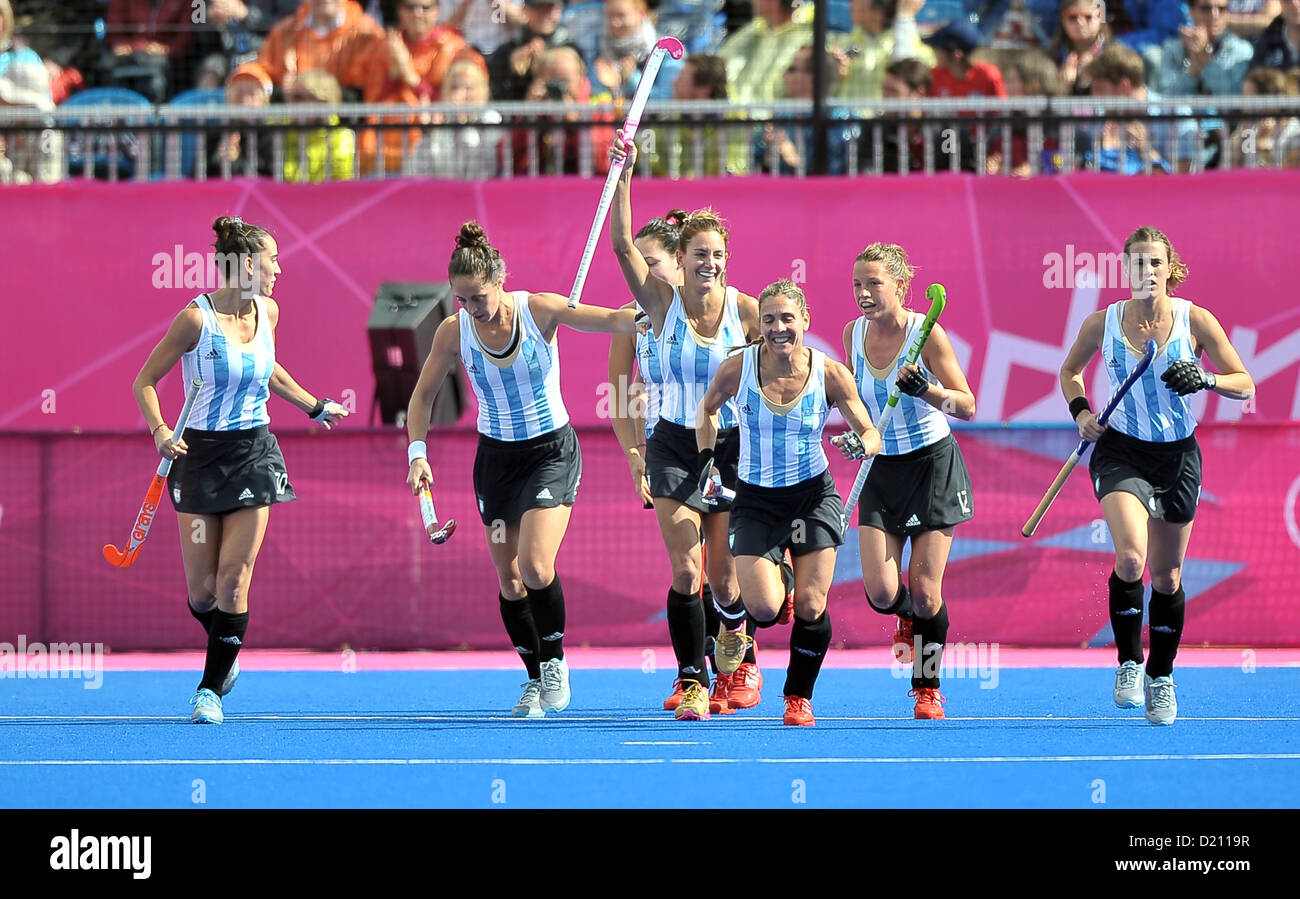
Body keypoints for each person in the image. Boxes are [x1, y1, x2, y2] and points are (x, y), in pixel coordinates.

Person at [405, 222, 638, 718]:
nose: (474, 308)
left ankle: (554, 660)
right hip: (496, 463)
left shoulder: (541, 310)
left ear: (500, 278)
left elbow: (616, 321)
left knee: (535, 566)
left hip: (550, 452)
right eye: (463, 299)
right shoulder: (454, 331)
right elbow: (422, 396)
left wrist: (661, 307)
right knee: (510, 582)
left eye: (480, 296)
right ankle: (533, 676)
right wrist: (418, 454)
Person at [130, 216, 350, 724]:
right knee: (202, 592)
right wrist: (162, 431)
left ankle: (210, 689)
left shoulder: (268, 311)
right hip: (197, 457)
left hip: (254, 453)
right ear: (247, 264)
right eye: (273, 258)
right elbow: (144, 380)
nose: (279, 268)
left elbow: (267, 366)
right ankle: (223, 647)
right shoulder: (194, 321)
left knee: (234, 578)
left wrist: (313, 405)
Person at [1059, 226, 1255, 726]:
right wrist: (1082, 412)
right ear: (1125, 270)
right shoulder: (1102, 322)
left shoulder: (1196, 320)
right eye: (1136, 264)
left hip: (1177, 458)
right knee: (1131, 556)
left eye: (1154, 263)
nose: (1145, 272)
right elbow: (1070, 372)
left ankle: (1161, 677)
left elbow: (1244, 382)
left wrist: (1206, 378)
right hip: (1120, 452)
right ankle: (1128, 661)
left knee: (1167, 577)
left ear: (1169, 268)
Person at [608, 131, 765, 722]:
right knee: (686, 567)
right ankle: (693, 678)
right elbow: (623, 244)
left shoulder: (747, 311)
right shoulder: (659, 305)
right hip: (673, 444)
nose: (710, 263)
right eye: (700, 254)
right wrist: (623, 173)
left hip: (730, 448)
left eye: (718, 255)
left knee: (726, 582)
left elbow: (772, 376)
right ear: (682, 259)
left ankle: (739, 657)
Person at [696, 279, 880, 726]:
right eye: (769, 320)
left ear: (806, 321)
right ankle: (781, 573)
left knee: (813, 606)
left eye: (787, 319)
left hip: (813, 496)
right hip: (755, 500)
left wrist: (865, 443)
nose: (779, 328)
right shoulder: (737, 368)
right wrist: (708, 463)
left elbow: (870, 429)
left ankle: (798, 697)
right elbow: (707, 411)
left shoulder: (830, 373)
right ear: (759, 325)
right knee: (762, 608)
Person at [843, 243, 976, 720]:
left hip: (931, 466)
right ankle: (907, 618)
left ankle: (927, 686)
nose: (863, 292)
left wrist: (928, 391)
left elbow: (967, 404)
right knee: (881, 593)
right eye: (857, 283)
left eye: (873, 283)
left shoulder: (927, 333)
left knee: (925, 589)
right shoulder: (851, 334)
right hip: (881, 469)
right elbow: (856, 404)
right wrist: (861, 435)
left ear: (900, 286)